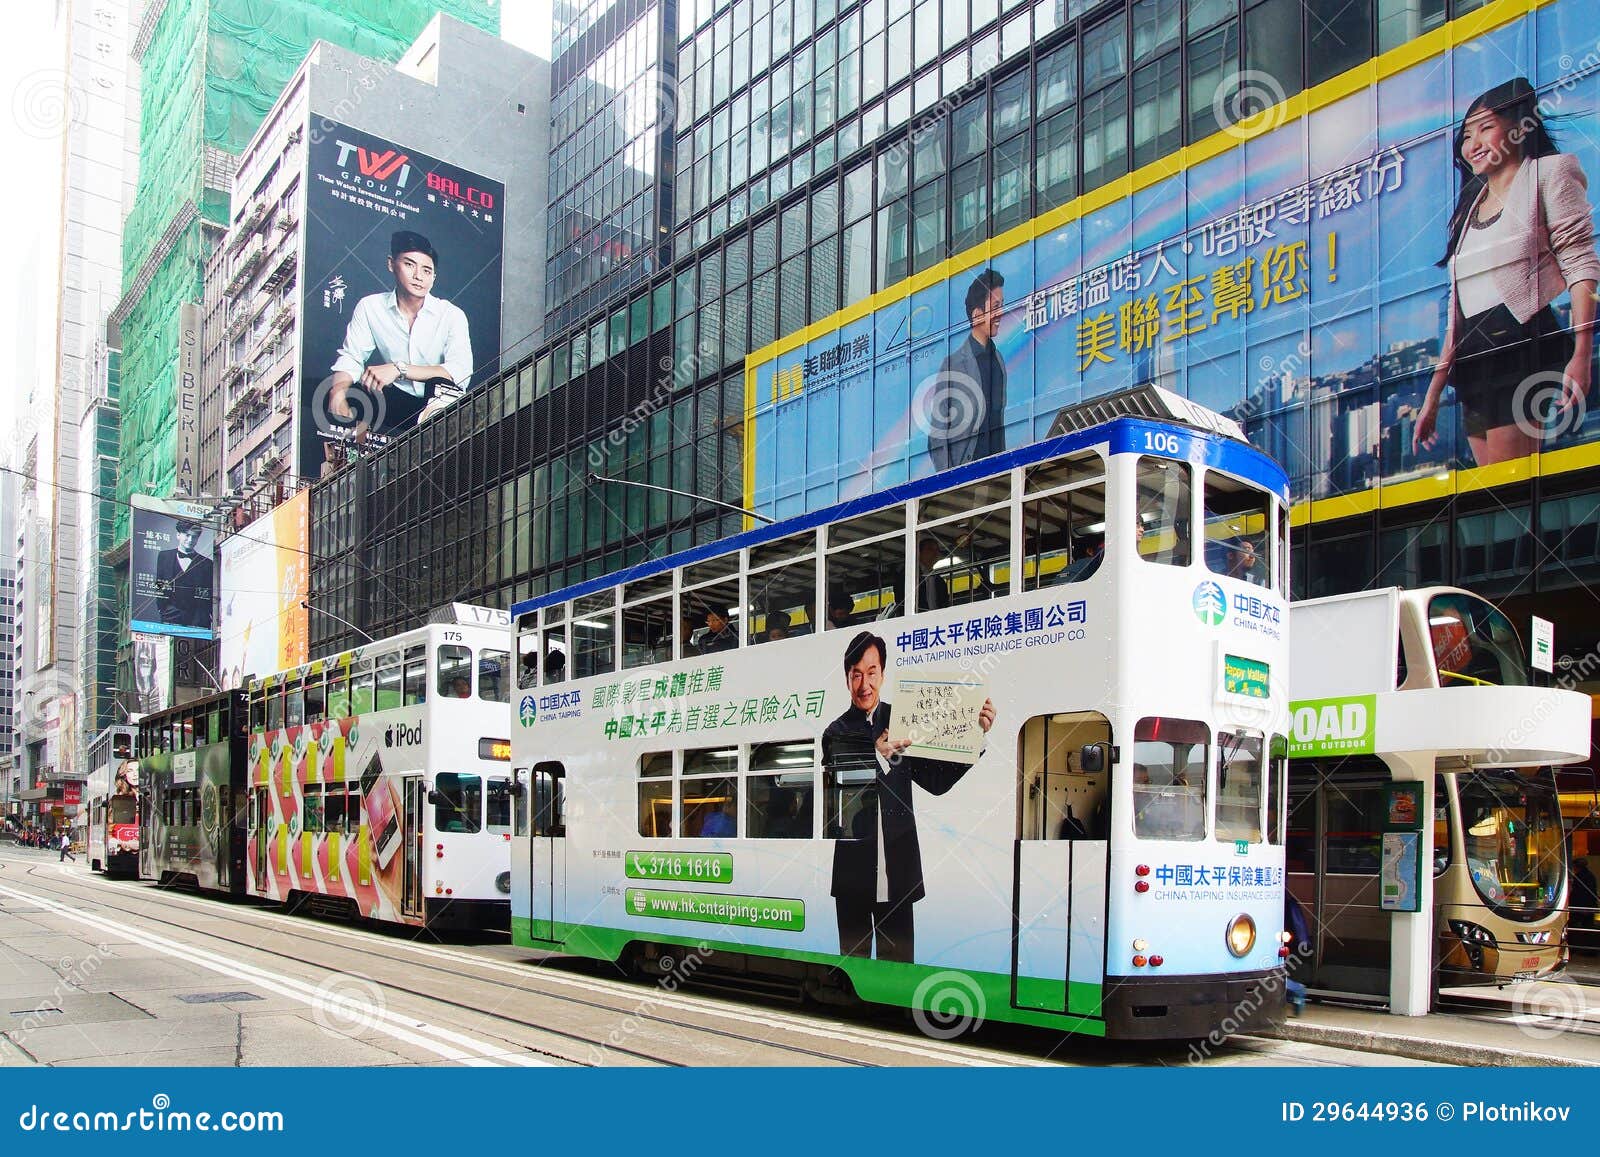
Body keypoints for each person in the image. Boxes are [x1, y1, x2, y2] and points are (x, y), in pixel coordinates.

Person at [1415, 77, 1599, 467]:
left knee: (1511, 482)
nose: (1473, 144)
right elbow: (1457, 311)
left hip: (1521, 342)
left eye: (1486, 128)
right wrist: (1433, 395)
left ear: (1518, 128)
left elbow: (1579, 260)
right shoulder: (1471, 204)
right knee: (1491, 492)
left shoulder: (1549, 173)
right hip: (1474, 359)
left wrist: (1582, 352)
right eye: (1467, 134)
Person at [822, 630, 997, 963]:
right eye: (856, 674)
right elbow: (837, 787)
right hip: (853, 877)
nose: (864, 684)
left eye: (871, 673)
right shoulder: (836, 731)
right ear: (847, 679)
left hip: (899, 874)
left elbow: (935, 781)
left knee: (900, 969)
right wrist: (876, 757)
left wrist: (975, 735)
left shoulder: (904, 718)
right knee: (851, 965)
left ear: (883, 675)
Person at [327, 230, 474, 438]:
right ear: (391, 264)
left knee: (442, 386)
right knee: (348, 392)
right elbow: (351, 356)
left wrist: (399, 369)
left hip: (438, 403)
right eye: (409, 265)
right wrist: (338, 391)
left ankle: (435, 446)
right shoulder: (370, 307)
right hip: (397, 402)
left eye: (426, 270)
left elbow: (460, 371)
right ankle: (357, 459)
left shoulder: (451, 315)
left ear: (434, 277)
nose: (418, 277)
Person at [928, 268, 1007, 471]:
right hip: (966, 479)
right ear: (977, 314)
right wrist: (948, 482)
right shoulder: (953, 365)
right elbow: (937, 435)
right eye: (996, 307)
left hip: (999, 475)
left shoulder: (998, 360)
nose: (1001, 313)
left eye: (1002, 306)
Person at [153, 519, 214, 629]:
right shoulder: (164, 556)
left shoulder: (207, 563)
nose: (190, 540)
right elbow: (159, 583)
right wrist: (161, 608)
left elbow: (209, 591)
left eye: (194, 536)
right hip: (171, 615)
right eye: (187, 535)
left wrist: (206, 615)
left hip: (198, 618)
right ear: (178, 535)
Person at [914, 536, 951, 611]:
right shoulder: (910, 575)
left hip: (937, 620)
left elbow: (944, 603)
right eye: (930, 549)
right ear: (919, 553)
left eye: (937, 550)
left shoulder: (940, 581)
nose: (935, 553)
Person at [1571, 856, 1598, 929]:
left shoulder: (1579, 877)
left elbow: (1579, 893)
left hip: (1581, 905)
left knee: (1579, 926)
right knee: (1588, 926)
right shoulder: (1590, 875)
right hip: (1589, 905)